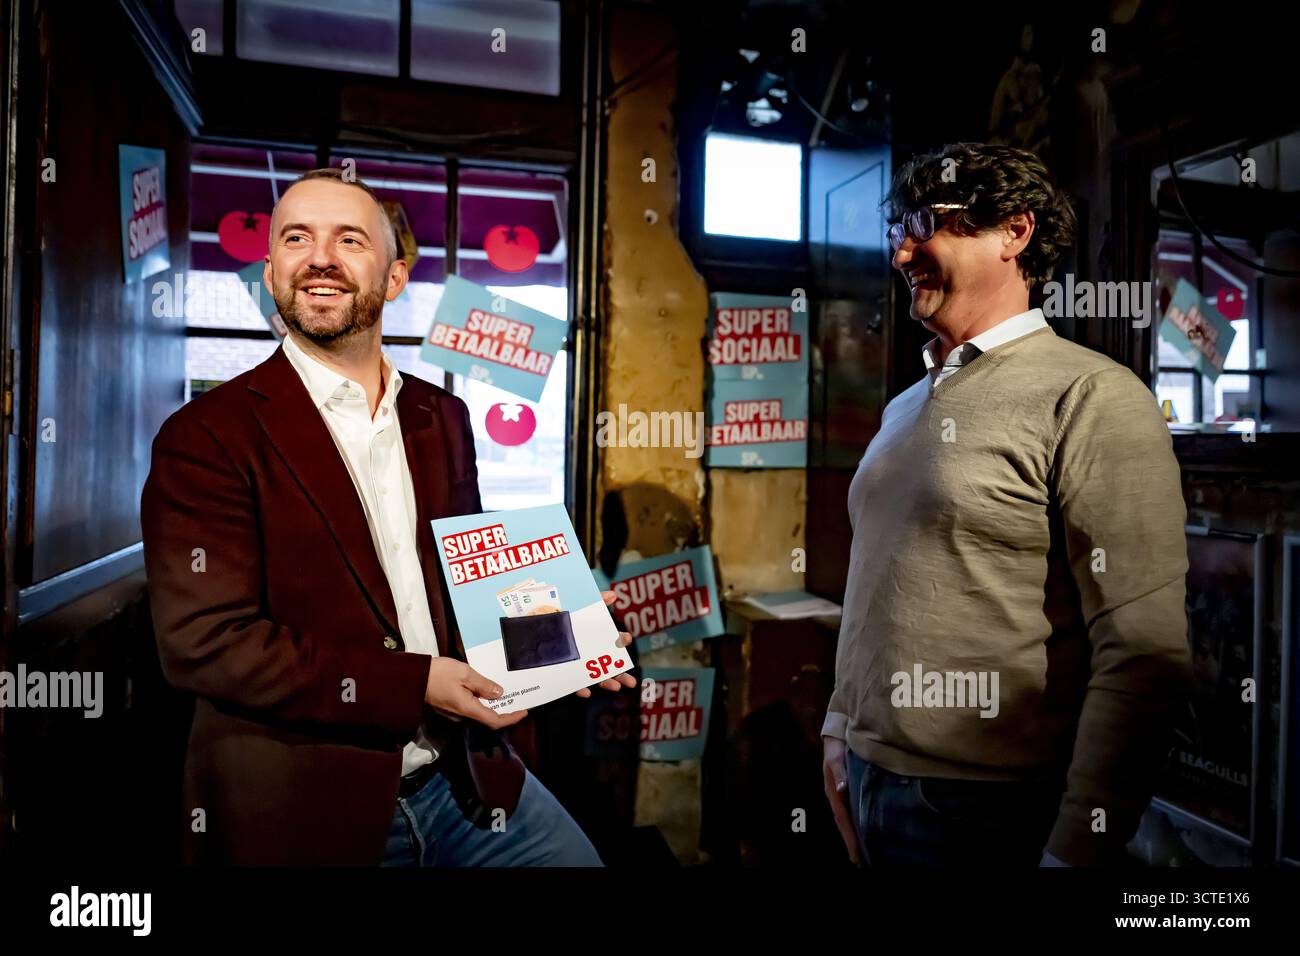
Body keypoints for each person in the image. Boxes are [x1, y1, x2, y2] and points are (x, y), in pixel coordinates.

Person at [141, 168, 634, 866]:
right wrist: (417, 683)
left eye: (349, 240)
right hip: (306, 809)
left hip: (466, 781)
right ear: (271, 272)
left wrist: (557, 634)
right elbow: (205, 643)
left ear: (395, 278)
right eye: (296, 238)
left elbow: (454, 582)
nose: (320, 257)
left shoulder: (442, 415)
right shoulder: (205, 435)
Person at [820, 142, 1190, 866]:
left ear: (1014, 232)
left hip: (984, 809)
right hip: (868, 777)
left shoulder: (1092, 396)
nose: (901, 254)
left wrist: (1076, 849)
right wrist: (841, 726)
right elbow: (877, 583)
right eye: (896, 231)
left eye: (923, 224)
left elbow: (1144, 654)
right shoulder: (904, 406)